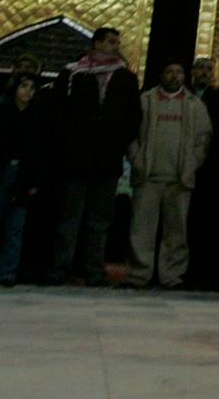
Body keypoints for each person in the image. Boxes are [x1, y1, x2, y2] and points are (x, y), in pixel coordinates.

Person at [45, 27, 141, 286]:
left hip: (107, 160)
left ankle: (94, 270)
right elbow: (58, 114)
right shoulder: (73, 74)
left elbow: (133, 115)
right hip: (75, 158)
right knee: (69, 219)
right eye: (111, 42)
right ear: (96, 43)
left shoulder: (125, 78)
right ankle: (60, 268)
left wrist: (118, 142)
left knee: (99, 221)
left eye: (117, 42)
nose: (115, 46)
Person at [128, 61, 211, 289]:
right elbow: (131, 133)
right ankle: (139, 275)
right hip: (148, 177)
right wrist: (137, 159)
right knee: (141, 230)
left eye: (179, 72)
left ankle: (171, 276)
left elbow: (203, 138)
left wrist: (192, 163)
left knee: (176, 233)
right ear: (161, 75)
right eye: (170, 72)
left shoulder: (195, 105)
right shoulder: (145, 101)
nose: (175, 76)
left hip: (179, 179)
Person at [0, 72, 47, 286]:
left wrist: (34, 182)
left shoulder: (36, 117)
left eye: (32, 88)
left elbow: (39, 153)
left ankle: (7, 273)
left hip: (22, 176)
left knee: (15, 228)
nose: (27, 92)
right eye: (24, 86)